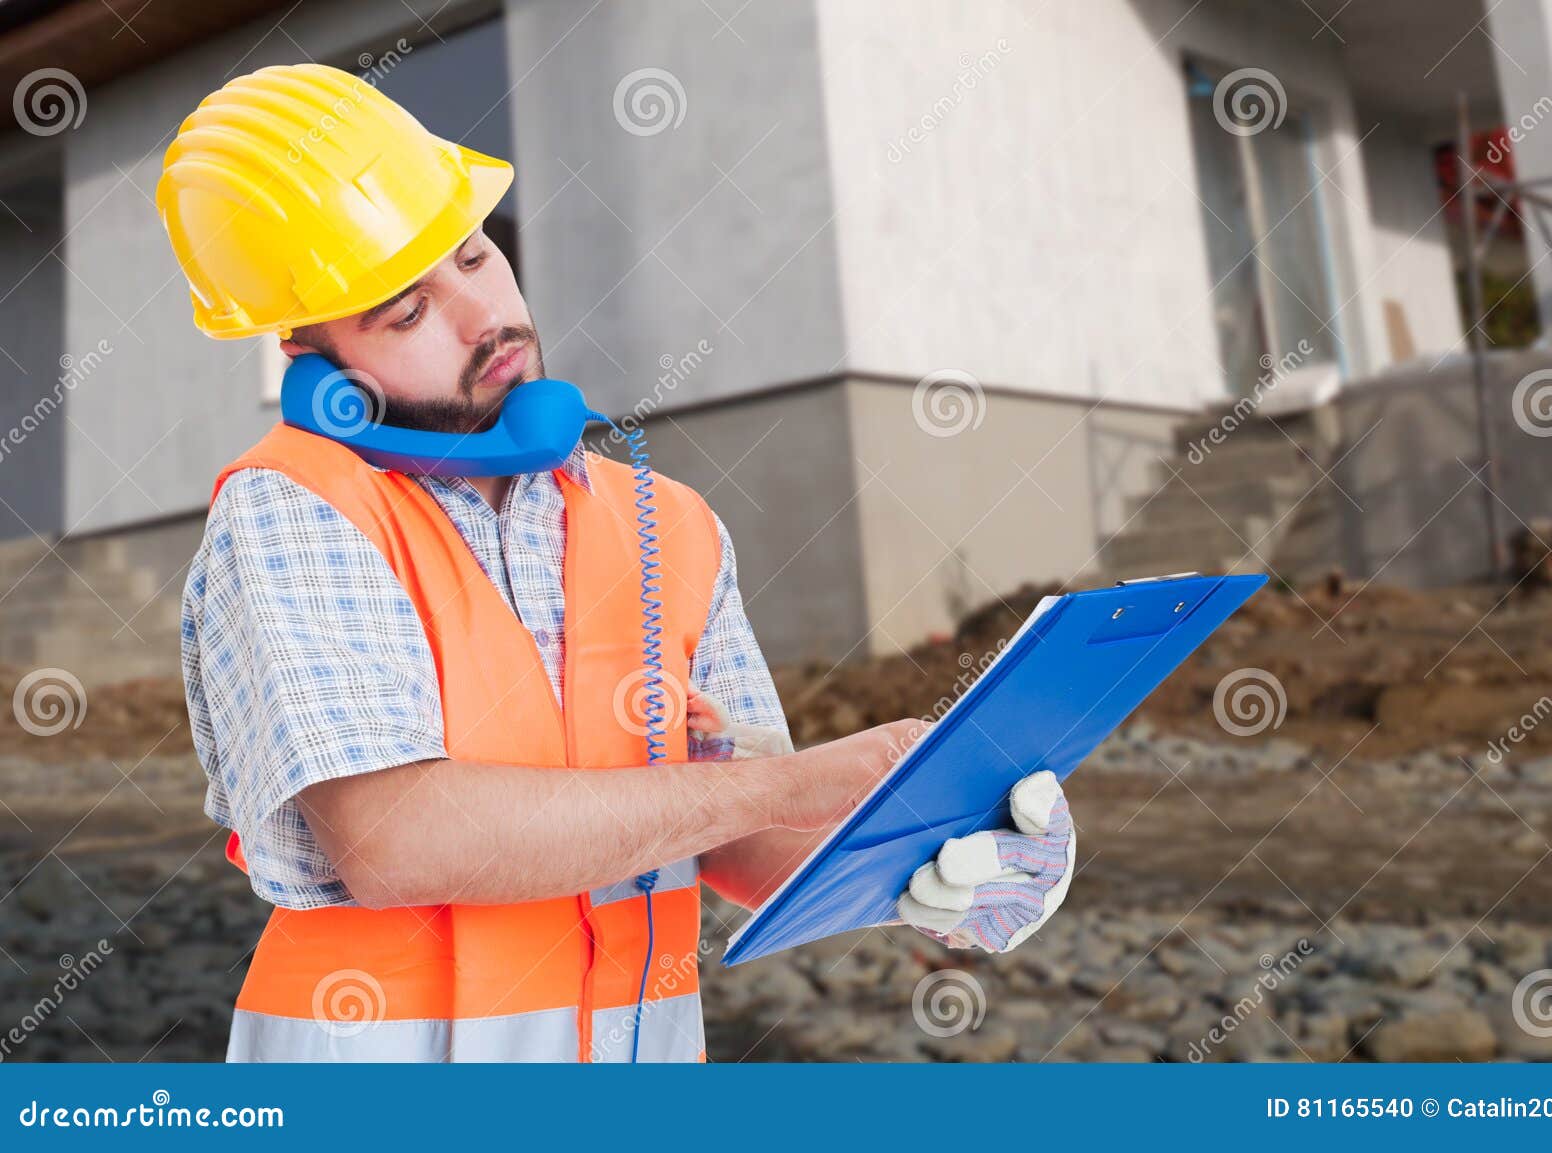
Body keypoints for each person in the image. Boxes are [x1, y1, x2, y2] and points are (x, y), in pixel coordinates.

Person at [158, 63, 1074, 1063]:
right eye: (406, 312)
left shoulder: (664, 521)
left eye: (472, 257)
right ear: (317, 372)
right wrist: (789, 783)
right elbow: (396, 840)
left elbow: (737, 834)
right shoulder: (295, 506)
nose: (483, 317)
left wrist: (937, 857)